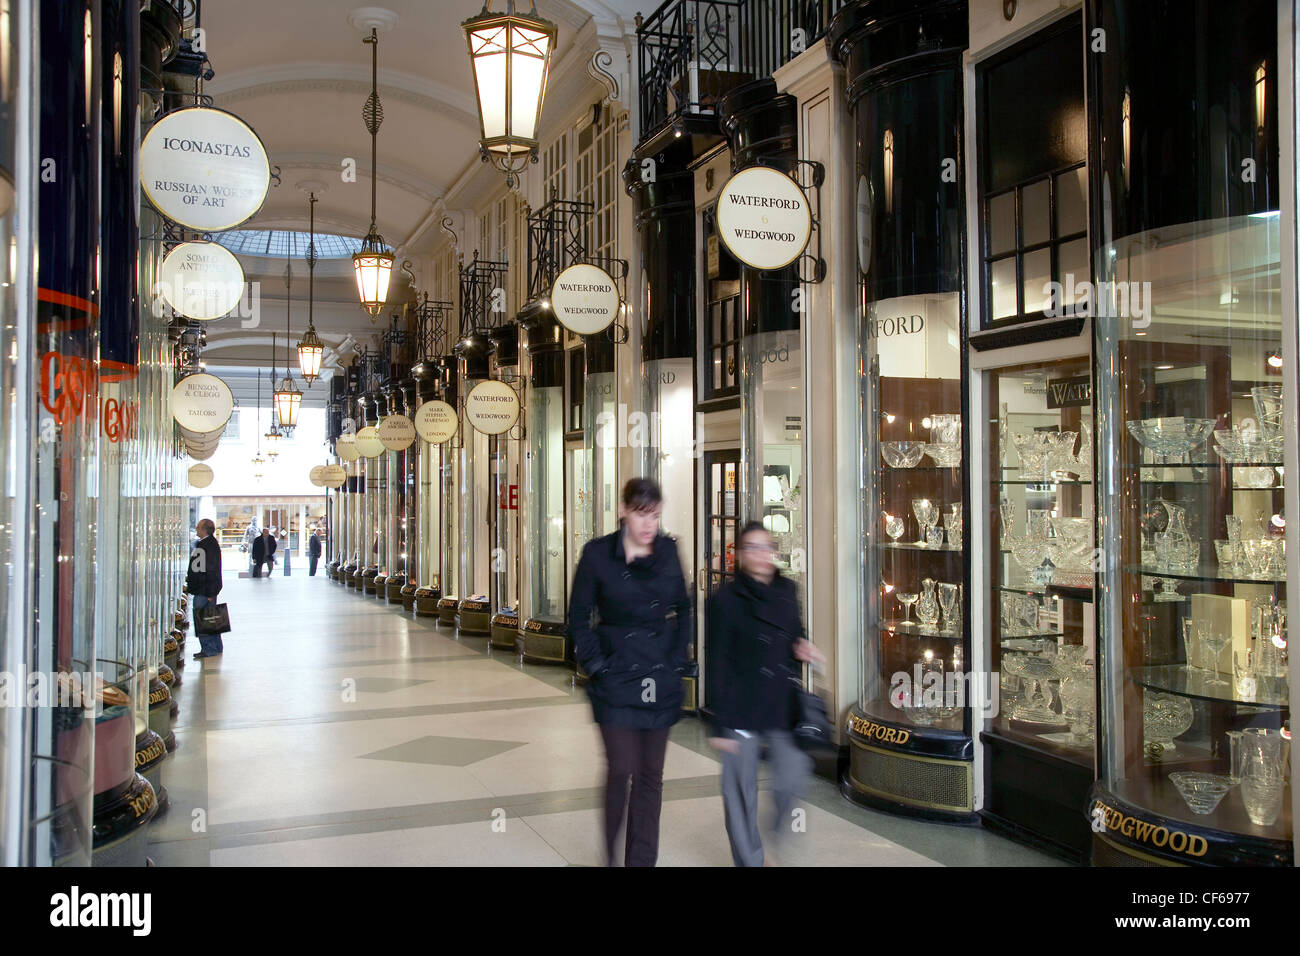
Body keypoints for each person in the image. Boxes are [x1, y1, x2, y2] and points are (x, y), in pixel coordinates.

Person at [569, 478, 693, 867]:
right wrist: (597, 666)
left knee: (650, 775)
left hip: (659, 674)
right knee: (622, 767)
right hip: (615, 675)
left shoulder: (670, 551)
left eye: (654, 515)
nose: (648, 524)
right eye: (641, 514)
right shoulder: (597, 555)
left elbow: (685, 609)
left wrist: (676, 658)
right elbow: (577, 617)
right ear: (623, 511)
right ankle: (610, 855)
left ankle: (641, 862)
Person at [705, 520, 823, 867]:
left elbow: (795, 633)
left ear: (773, 552)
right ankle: (750, 859)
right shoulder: (724, 600)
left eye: (765, 548)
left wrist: (803, 646)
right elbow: (717, 661)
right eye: (752, 549)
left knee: (793, 774)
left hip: (780, 702)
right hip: (739, 705)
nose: (760, 555)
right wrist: (721, 725)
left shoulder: (787, 590)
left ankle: (775, 830)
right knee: (740, 792)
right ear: (740, 556)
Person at [186, 518, 224, 659]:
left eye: (198, 527)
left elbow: (210, 570)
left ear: (204, 529)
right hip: (206, 590)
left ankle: (209, 648)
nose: (196, 529)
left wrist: (210, 592)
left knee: (203, 620)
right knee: (211, 619)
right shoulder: (208, 544)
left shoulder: (206, 546)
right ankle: (216, 647)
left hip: (204, 591)